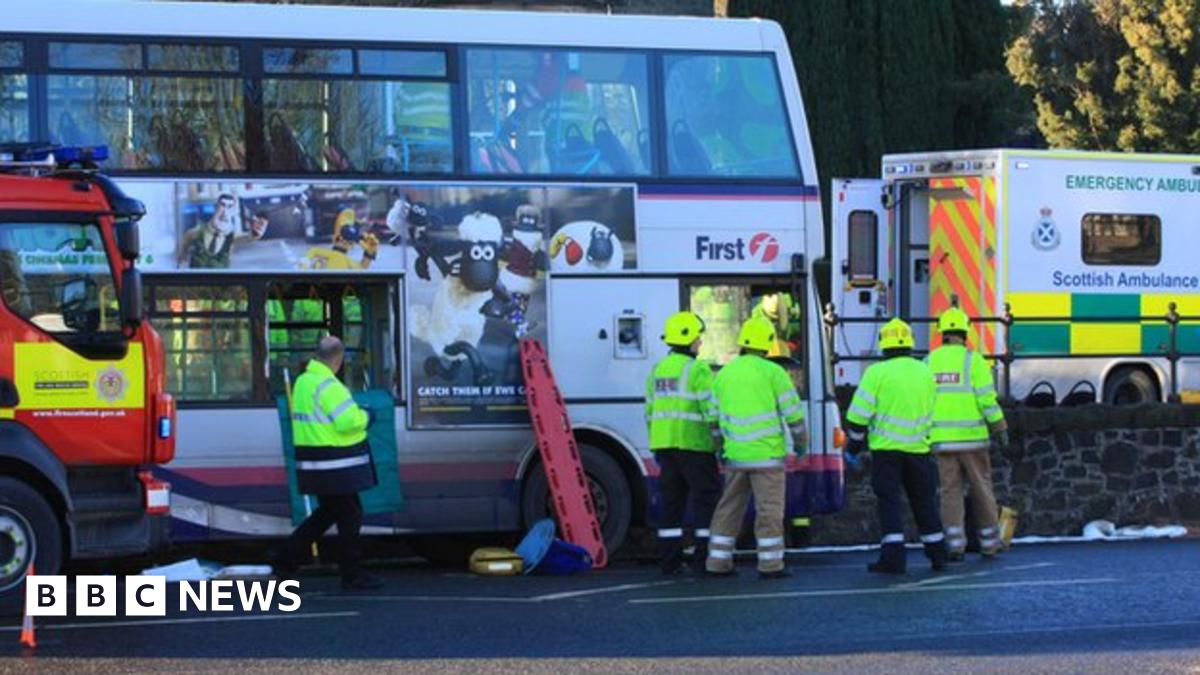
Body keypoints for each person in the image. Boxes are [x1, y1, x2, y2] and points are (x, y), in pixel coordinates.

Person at [274, 336, 384, 590]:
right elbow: (348, 421)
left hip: (313, 461)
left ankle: (284, 560)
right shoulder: (329, 386)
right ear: (339, 359)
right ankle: (351, 572)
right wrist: (367, 415)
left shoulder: (304, 381)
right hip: (337, 463)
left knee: (327, 514)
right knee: (350, 514)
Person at [705, 317, 807, 580]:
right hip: (767, 459)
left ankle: (717, 562)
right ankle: (771, 565)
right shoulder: (774, 373)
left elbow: (712, 419)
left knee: (728, 509)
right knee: (769, 511)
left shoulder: (725, 373)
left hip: (735, 458)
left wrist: (720, 448)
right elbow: (794, 416)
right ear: (768, 344)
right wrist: (801, 445)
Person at [845, 318, 947, 574]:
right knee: (924, 502)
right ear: (910, 342)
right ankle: (938, 554)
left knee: (889, 503)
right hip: (919, 451)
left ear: (884, 344)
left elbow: (858, 418)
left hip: (887, 453)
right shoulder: (925, 371)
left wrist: (853, 449)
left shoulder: (876, 373)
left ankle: (893, 558)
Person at [928, 308, 1008, 560]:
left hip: (942, 441)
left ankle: (954, 545)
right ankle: (989, 543)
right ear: (964, 333)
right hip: (973, 440)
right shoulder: (973, 361)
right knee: (981, 489)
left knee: (950, 493)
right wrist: (1000, 427)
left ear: (942, 334)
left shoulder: (929, 362)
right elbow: (987, 400)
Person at [645, 311, 722, 574]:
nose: (700, 343)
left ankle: (669, 562)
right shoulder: (697, 369)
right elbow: (711, 411)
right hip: (695, 447)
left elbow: (649, 412)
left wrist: (656, 445)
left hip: (666, 448)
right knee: (706, 502)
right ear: (688, 338)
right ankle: (704, 560)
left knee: (671, 505)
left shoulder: (658, 369)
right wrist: (719, 443)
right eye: (698, 338)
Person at [177, 193, 267, 269]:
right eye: (223, 205)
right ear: (215, 207)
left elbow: (247, 237)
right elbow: (183, 251)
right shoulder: (195, 233)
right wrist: (182, 263)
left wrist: (256, 234)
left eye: (230, 207)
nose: (225, 212)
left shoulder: (230, 237)